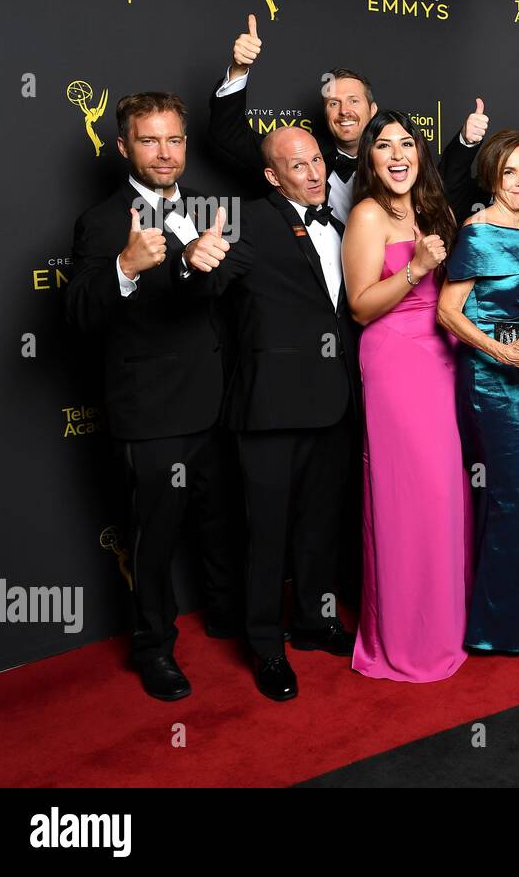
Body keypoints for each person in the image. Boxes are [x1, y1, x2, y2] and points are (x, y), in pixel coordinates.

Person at [65, 92, 240, 701]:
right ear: (123, 146)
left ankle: (224, 617)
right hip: (153, 412)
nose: (165, 153)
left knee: (221, 523)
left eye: (174, 140)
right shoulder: (103, 221)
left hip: (215, 400)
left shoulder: (203, 209)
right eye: (150, 140)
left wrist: (197, 268)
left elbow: (206, 294)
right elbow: (82, 313)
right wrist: (126, 268)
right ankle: (153, 647)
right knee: (156, 536)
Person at [181, 127, 360, 702]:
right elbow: (207, 287)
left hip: (333, 402)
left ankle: (311, 619)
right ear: (270, 176)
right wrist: (192, 263)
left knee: (318, 524)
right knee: (266, 533)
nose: (312, 173)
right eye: (297, 165)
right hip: (270, 407)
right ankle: (265, 644)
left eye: (316, 161)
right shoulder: (249, 219)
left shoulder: (343, 220)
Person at [342, 110, 471, 681]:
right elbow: (360, 306)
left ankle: (447, 621)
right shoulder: (368, 214)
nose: (397, 155)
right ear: (369, 159)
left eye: (407, 144)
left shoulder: (433, 209)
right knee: (408, 498)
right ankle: (406, 637)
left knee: (444, 494)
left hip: (442, 357)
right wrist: (417, 270)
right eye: (383, 146)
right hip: (395, 361)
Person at [438, 130, 519, 653]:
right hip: (487, 383)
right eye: (511, 172)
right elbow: (447, 312)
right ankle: (499, 629)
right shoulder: (477, 233)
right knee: (513, 497)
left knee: (516, 497)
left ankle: (515, 611)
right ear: (491, 178)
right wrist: (501, 353)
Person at [207, 14, 377, 223]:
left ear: (373, 109)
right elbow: (229, 133)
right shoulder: (296, 153)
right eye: (333, 103)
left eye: (353, 101)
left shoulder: (397, 160)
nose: (344, 111)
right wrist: (239, 69)